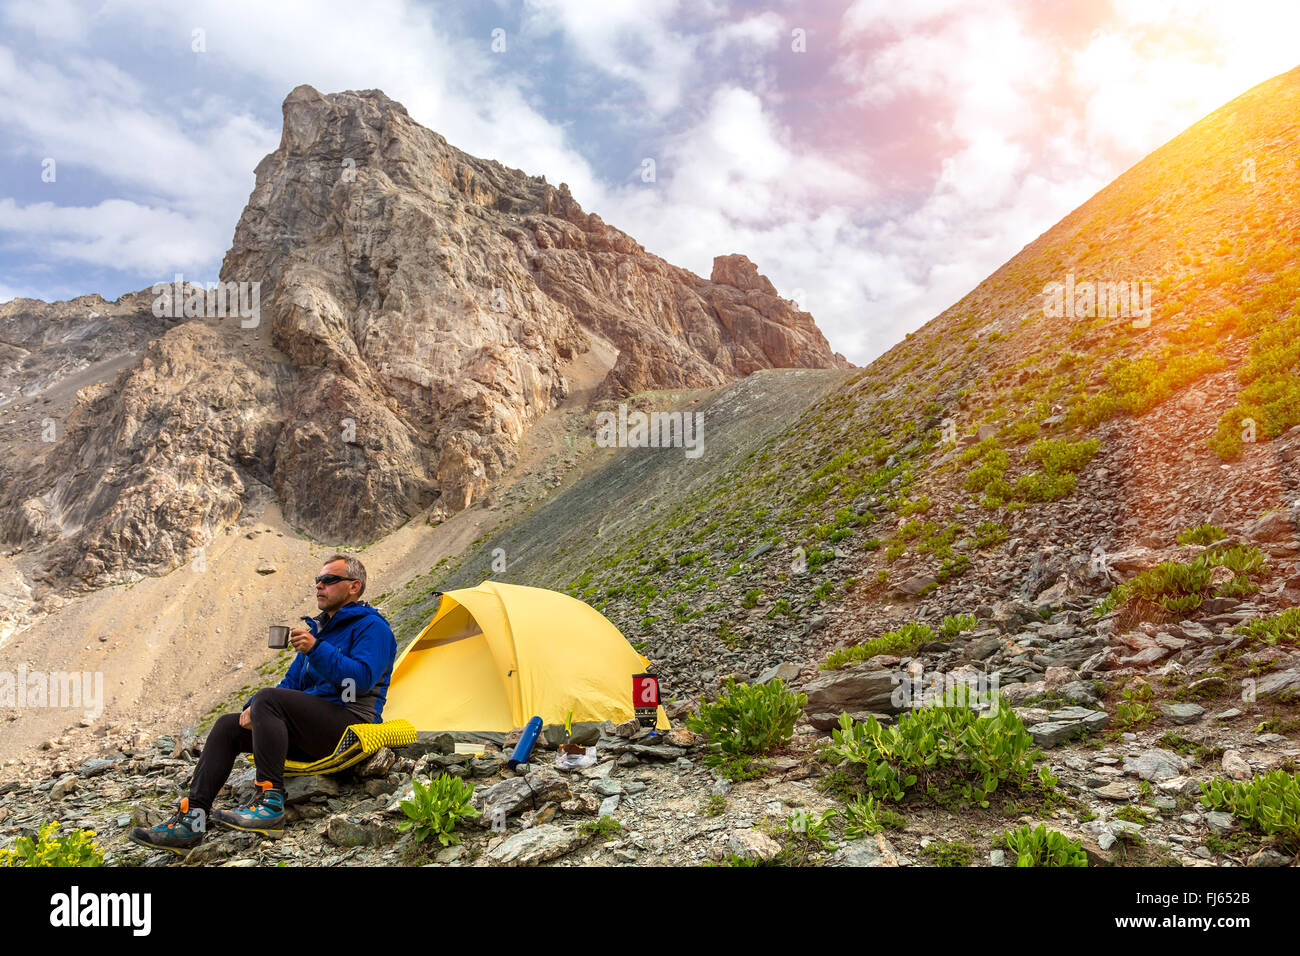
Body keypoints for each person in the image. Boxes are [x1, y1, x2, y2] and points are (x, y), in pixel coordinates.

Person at [129, 553, 397, 854]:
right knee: (228, 724)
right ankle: (193, 818)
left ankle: (269, 803)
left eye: (329, 580)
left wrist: (316, 650)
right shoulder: (318, 633)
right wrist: (252, 707)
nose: (319, 586)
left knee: (269, 699)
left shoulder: (373, 628)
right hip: (314, 728)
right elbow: (290, 685)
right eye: (317, 580)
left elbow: (359, 680)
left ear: (354, 587)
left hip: (351, 722)